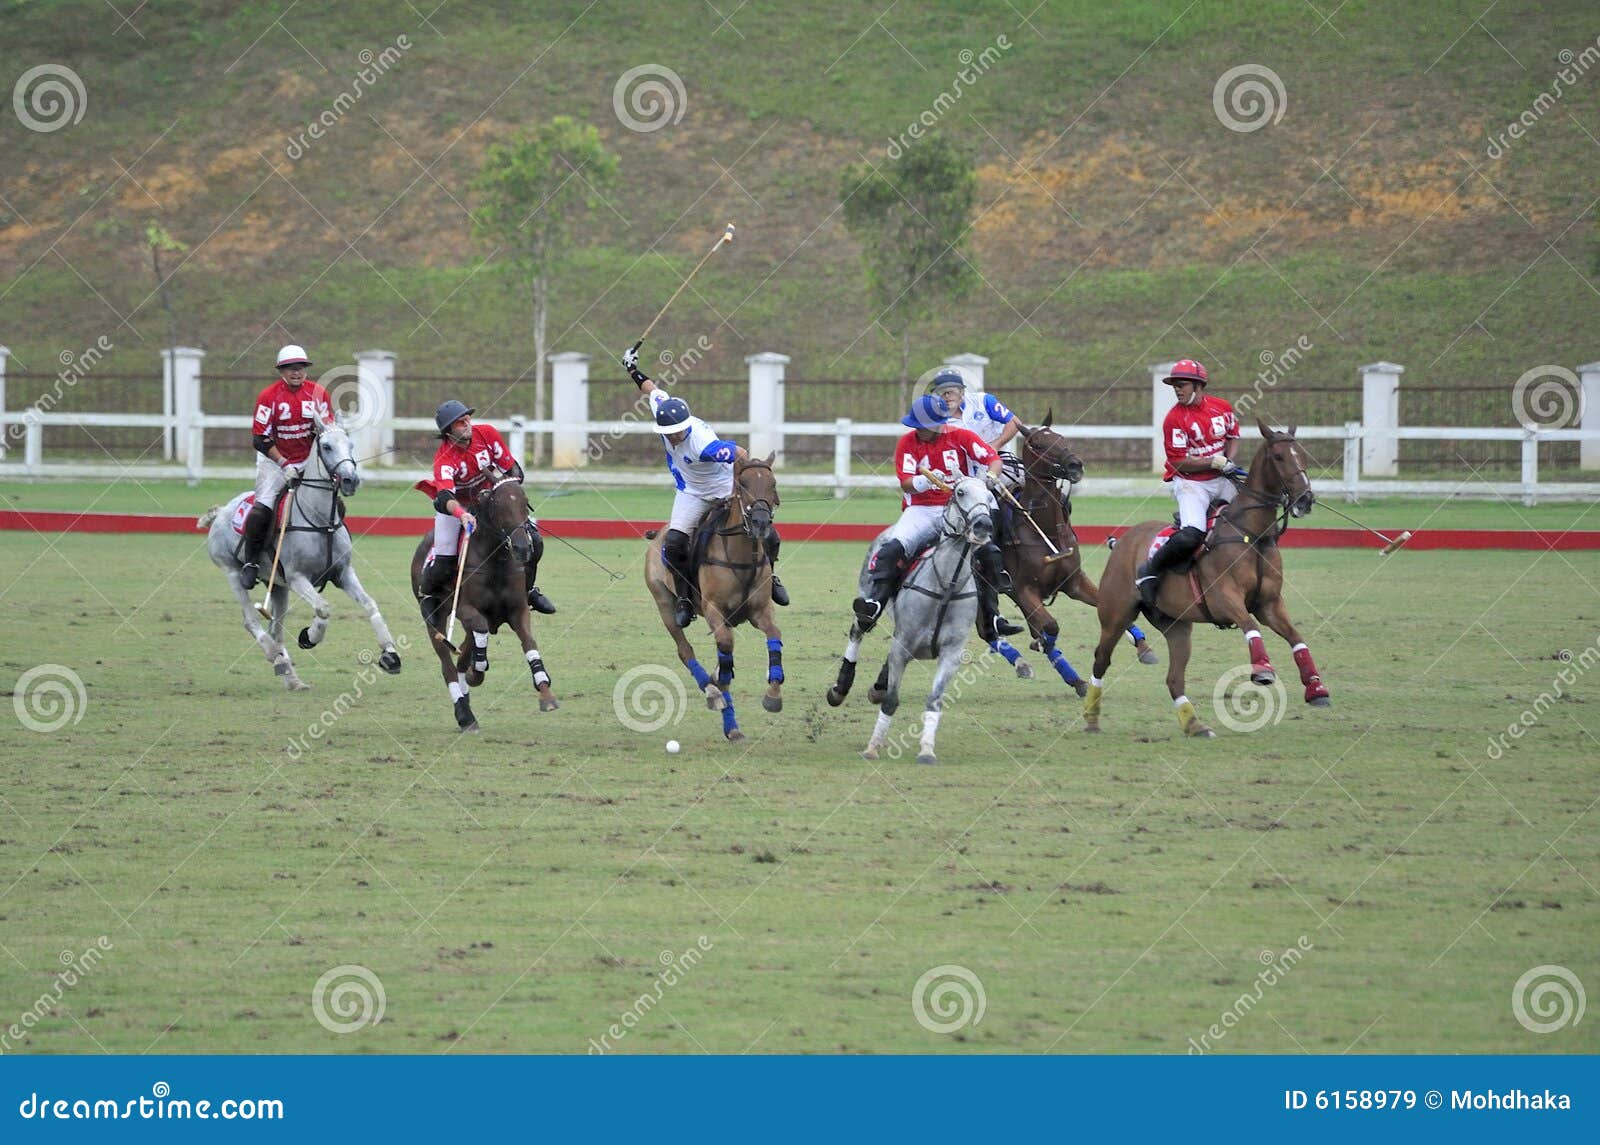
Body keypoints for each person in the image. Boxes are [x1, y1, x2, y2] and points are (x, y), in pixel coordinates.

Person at [624, 343, 788, 629]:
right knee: (674, 543)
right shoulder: (665, 411)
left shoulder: (704, 444)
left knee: (769, 535)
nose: (672, 437)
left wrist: (745, 486)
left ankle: (770, 578)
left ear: (685, 426)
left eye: (676, 433)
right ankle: (686, 599)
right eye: (667, 434)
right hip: (690, 492)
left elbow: (740, 454)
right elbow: (652, 390)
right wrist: (632, 368)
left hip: (724, 488)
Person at [851, 394, 1021, 642]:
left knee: (988, 552)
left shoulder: (961, 437)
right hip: (920, 510)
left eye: (922, 424)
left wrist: (989, 479)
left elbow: (992, 459)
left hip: (954, 509)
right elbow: (907, 484)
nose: (918, 429)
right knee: (891, 549)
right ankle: (874, 604)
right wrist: (923, 480)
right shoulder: (908, 443)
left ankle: (992, 616)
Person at [415, 400, 556, 626]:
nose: (468, 423)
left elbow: (513, 470)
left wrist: (503, 492)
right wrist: (462, 514)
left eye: (468, 418)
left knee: (534, 541)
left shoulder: (487, 434)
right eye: (461, 422)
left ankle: (528, 591)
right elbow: (444, 499)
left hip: (491, 501)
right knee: (443, 559)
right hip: (457, 508)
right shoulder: (445, 457)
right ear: (448, 431)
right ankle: (430, 598)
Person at [1135, 359, 1246, 609]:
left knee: (1248, 519)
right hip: (1191, 483)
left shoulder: (1222, 408)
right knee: (1191, 535)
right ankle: (1149, 571)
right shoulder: (1174, 418)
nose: (1177, 389)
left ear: (1198, 385)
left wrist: (1228, 460)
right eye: (1175, 385)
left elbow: (1233, 436)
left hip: (1222, 478)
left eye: (1182, 384)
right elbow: (1179, 462)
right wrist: (1213, 462)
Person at [240, 345, 333, 589]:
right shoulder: (268, 397)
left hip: (307, 460)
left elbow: (329, 431)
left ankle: (331, 558)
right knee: (264, 507)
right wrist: (283, 464)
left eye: (300, 368)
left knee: (335, 504)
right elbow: (259, 439)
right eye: (291, 368)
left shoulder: (318, 393)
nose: (296, 372)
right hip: (275, 462)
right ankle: (251, 562)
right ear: (282, 370)